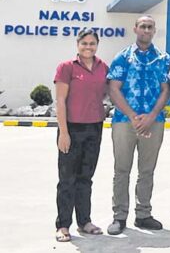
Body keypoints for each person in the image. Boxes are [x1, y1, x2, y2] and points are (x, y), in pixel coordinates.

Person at [106, 16, 170, 235]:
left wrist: (152, 116)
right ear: (135, 29)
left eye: (150, 27)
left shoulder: (162, 58)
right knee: (121, 169)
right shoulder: (123, 57)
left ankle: (143, 214)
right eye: (142, 26)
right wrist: (133, 115)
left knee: (147, 170)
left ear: (154, 31)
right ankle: (119, 216)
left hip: (154, 122)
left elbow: (165, 90)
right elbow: (114, 88)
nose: (146, 30)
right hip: (125, 122)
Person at [53, 29, 110, 242]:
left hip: (94, 128)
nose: (88, 47)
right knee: (67, 179)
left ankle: (84, 221)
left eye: (92, 43)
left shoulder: (103, 67)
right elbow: (60, 102)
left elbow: (107, 93)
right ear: (78, 44)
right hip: (71, 129)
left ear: (97, 45)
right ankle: (63, 225)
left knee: (86, 178)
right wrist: (64, 133)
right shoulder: (66, 68)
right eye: (84, 43)